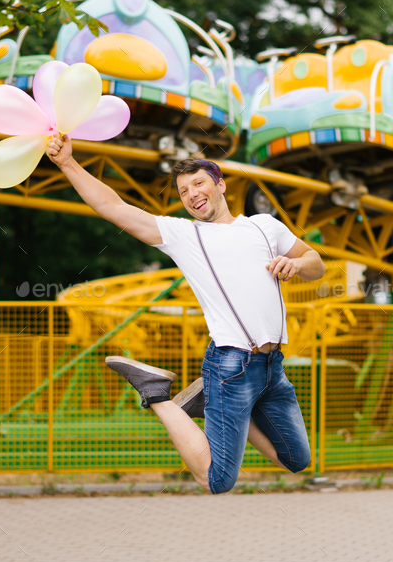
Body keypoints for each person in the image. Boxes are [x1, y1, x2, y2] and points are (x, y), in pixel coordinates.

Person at [46, 135, 325, 494]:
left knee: (296, 459)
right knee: (216, 480)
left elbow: (316, 264)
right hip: (231, 367)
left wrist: (296, 263)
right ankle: (156, 392)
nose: (191, 194)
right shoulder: (184, 236)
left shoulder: (265, 226)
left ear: (220, 184)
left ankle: (204, 403)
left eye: (198, 183)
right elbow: (113, 207)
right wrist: (68, 163)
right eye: (183, 191)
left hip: (273, 367)